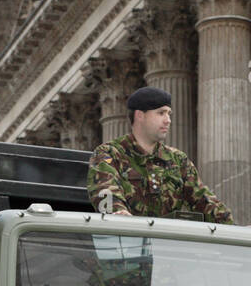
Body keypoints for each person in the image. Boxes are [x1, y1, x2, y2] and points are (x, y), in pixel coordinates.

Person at [87, 87, 234, 223]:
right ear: (140, 115)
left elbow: (204, 200)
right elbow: (105, 191)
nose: (168, 120)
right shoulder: (109, 154)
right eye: (161, 113)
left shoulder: (178, 160)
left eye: (169, 114)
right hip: (126, 242)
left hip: (166, 245)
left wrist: (233, 228)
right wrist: (117, 213)